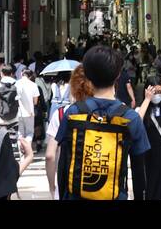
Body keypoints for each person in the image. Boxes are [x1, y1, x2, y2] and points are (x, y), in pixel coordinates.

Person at [54, 45, 150, 201]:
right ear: (118, 74)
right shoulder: (131, 118)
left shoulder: (73, 112)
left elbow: (63, 164)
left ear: (88, 75)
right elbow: (140, 171)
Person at [45, 65, 92, 198]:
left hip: (69, 183)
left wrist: (52, 186)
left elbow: (50, 155)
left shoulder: (61, 114)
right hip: (100, 183)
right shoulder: (109, 112)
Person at [14, 65, 40, 171]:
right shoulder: (33, 85)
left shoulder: (16, 83)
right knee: (29, 133)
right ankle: (27, 154)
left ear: (21, 74)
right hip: (29, 113)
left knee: (20, 134)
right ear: (30, 76)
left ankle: (21, 156)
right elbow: (35, 102)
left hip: (18, 112)